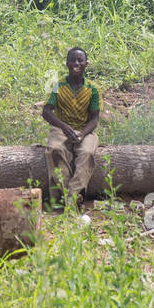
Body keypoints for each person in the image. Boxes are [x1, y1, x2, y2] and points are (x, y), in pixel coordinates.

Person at [41, 47, 101, 207]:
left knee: (87, 153)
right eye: (73, 60)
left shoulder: (92, 89)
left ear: (86, 64)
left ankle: (71, 196)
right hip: (61, 129)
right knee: (54, 150)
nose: (76, 63)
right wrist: (65, 127)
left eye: (80, 60)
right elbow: (46, 112)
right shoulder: (58, 86)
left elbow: (94, 119)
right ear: (67, 64)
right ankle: (72, 198)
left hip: (85, 130)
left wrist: (82, 134)